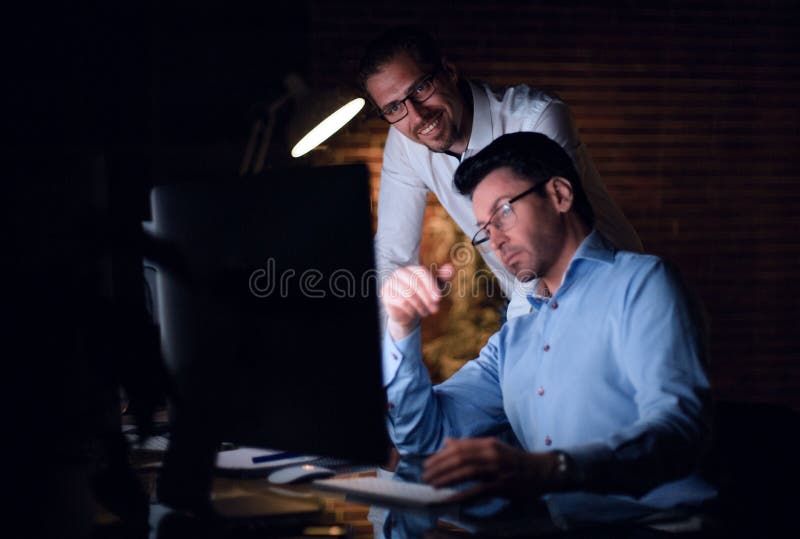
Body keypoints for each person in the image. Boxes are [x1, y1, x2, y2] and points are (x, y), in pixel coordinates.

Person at [378, 132, 715, 526]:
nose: (496, 240)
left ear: (559, 194)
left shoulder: (641, 283)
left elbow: (679, 431)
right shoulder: (514, 338)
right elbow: (424, 440)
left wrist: (550, 469)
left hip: (658, 526)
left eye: (503, 213)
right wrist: (402, 327)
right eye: (484, 229)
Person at [360, 26, 642, 320]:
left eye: (420, 88)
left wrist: (515, 333)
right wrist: (382, 335)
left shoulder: (536, 118)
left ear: (449, 71)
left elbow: (550, 239)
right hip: (533, 309)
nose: (417, 115)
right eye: (394, 108)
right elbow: (391, 254)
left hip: (616, 292)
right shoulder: (404, 143)